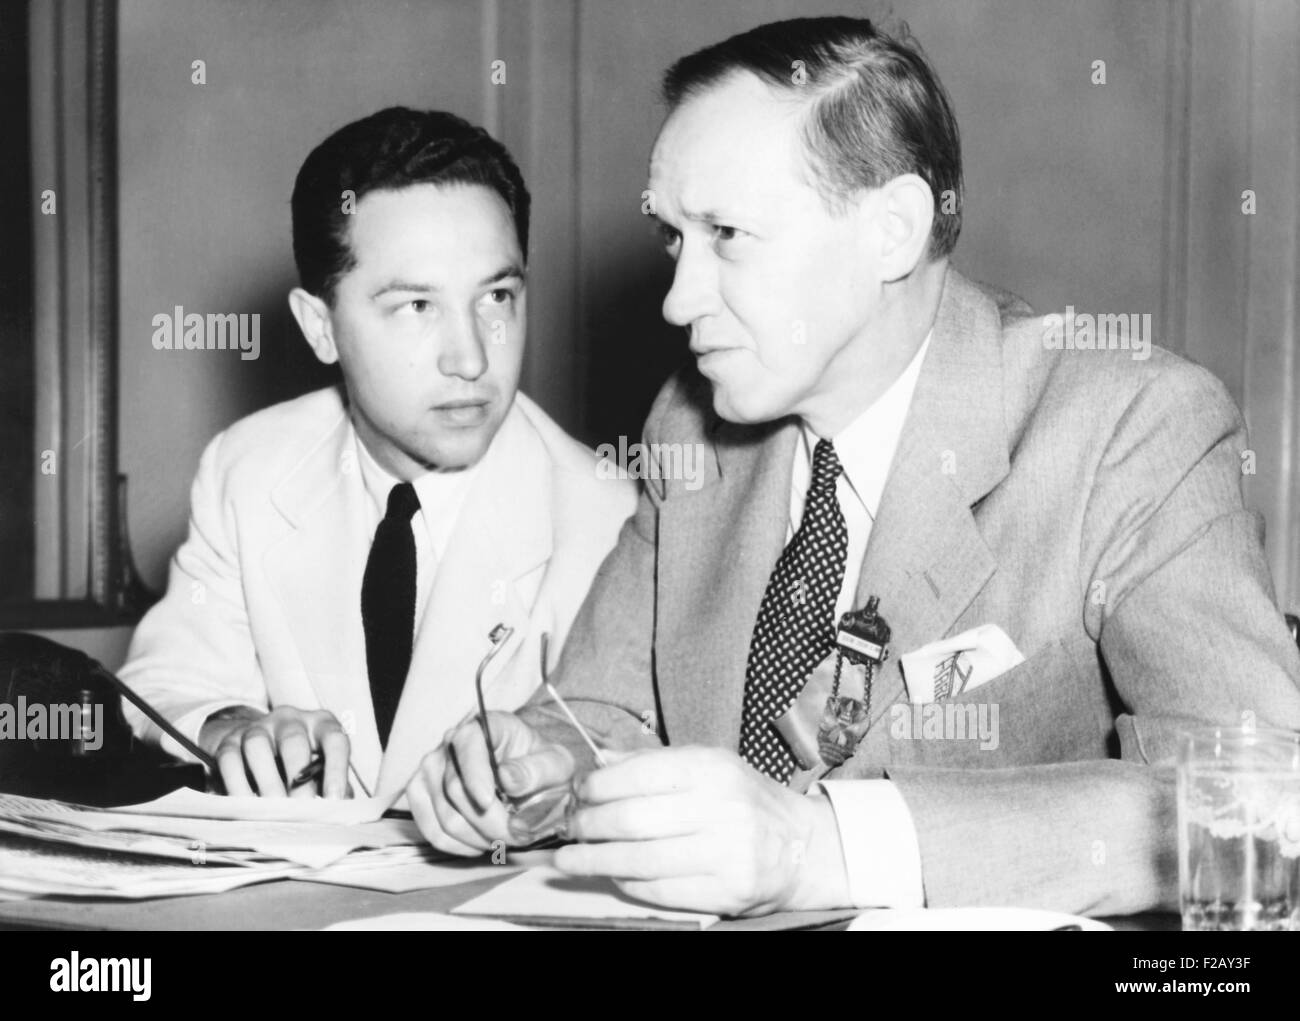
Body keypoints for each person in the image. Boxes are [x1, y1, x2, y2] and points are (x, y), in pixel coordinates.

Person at [408, 17, 1300, 916]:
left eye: (727, 233)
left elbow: (1266, 804)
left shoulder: (1127, 425)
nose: (679, 300)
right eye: (675, 239)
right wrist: (530, 766)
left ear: (894, 231)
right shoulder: (692, 426)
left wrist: (826, 846)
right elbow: (602, 715)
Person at [119, 107, 636, 801]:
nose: (471, 356)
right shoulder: (248, 468)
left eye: (498, 296)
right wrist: (230, 725)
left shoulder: (607, 512)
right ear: (320, 327)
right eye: (417, 306)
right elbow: (165, 680)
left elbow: (628, 749)